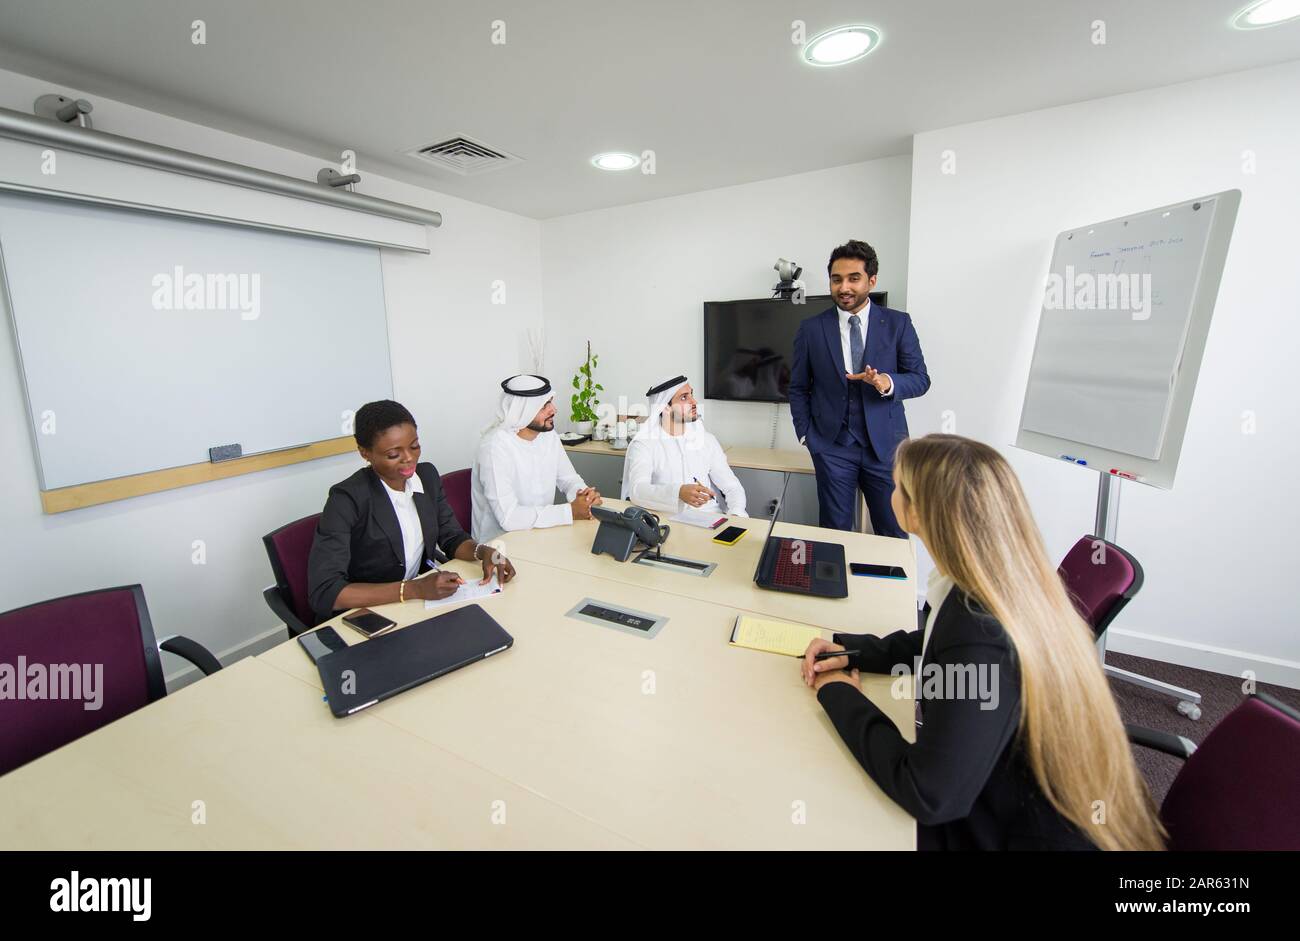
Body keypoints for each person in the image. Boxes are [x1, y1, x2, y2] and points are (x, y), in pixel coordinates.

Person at [801, 434, 1165, 851]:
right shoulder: (997, 579)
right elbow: (936, 640)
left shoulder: (980, 633)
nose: (890, 492)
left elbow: (929, 794)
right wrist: (855, 651)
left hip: (1007, 830)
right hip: (1000, 789)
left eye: (898, 486)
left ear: (921, 513)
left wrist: (842, 696)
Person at [307, 399, 515, 624]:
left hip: (414, 607)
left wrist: (486, 552)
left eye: (414, 446)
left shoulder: (426, 477)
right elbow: (326, 592)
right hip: (365, 614)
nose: (409, 457)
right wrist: (413, 589)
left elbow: (452, 537)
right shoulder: (346, 499)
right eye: (393, 454)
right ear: (365, 453)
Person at [789, 240, 929, 536]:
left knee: (894, 530)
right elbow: (798, 387)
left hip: (886, 448)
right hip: (832, 447)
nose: (844, 287)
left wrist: (887, 382)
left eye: (854, 278)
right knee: (834, 532)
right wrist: (806, 435)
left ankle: (890, 585)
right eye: (836, 279)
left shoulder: (898, 324)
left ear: (871, 280)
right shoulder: (811, 329)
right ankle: (834, 584)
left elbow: (919, 378)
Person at [471, 374, 602, 542]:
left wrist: (585, 498)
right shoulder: (494, 447)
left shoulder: (548, 436)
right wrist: (570, 511)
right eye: (544, 406)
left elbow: (568, 479)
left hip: (541, 534)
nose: (553, 410)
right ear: (522, 411)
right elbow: (509, 517)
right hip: (499, 547)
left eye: (551, 402)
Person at [621, 375, 747, 517]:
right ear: (665, 407)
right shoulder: (644, 445)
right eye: (684, 398)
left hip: (711, 518)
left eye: (691, 395)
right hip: (667, 521)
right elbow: (637, 491)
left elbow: (732, 487)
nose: (694, 402)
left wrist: (736, 515)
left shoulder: (707, 441)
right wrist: (678, 493)